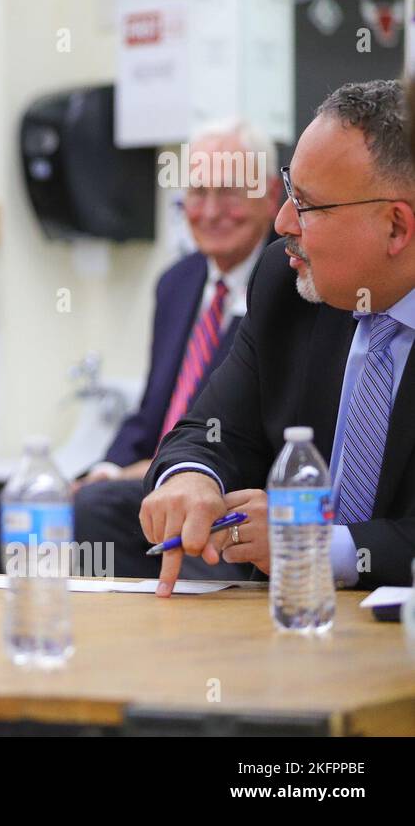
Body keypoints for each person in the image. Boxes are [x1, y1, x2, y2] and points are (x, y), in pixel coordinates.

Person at [0, 121, 279, 578]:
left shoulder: (282, 284)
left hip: (217, 484)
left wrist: (135, 475)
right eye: (197, 192)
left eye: (230, 191)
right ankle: (61, 623)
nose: (211, 211)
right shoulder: (178, 283)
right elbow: (150, 412)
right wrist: (107, 467)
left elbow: (241, 430)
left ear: (271, 195)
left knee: (96, 510)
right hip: (144, 478)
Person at [144, 79, 415, 595]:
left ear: (396, 228)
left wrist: (313, 545)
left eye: (309, 206)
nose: (282, 220)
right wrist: (191, 476)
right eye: (289, 190)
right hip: (285, 633)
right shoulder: (287, 285)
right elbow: (212, 428)